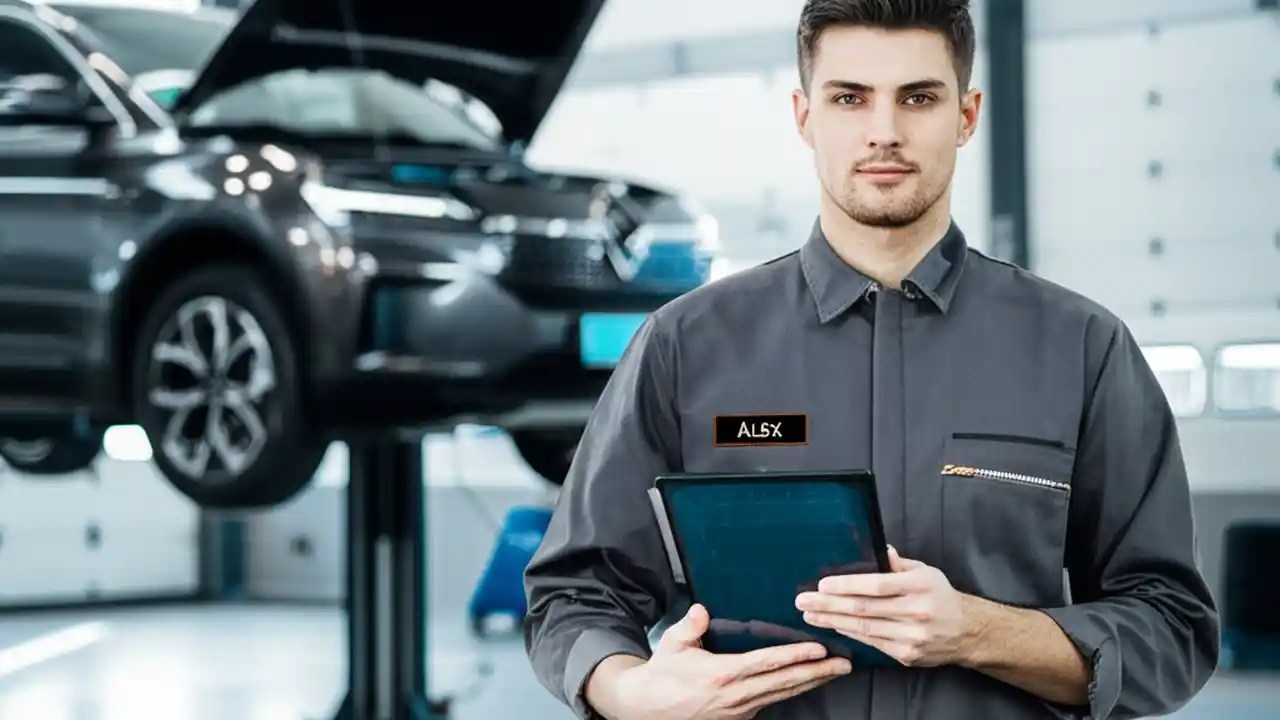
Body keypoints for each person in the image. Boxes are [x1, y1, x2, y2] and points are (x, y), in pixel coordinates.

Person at [523, 0, 1221, 717]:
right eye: (849, 98)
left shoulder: (1082, 349)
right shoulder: (684, 345)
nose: (883, 132)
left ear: (967, 114)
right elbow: (577, 592)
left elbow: (1172, 630)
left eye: (918, 98)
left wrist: (979, 633)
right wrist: (630, 691)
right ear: (804, 117)